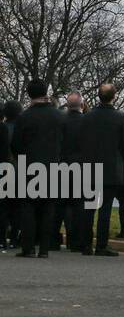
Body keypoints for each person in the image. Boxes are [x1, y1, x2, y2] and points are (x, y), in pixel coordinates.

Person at [76, 82, 124, 257]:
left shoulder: (86, 117)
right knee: (105, 209)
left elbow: (80, 143)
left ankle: (85, 244)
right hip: (110, 168)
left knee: (89, 208)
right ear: (114, 96)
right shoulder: (120, 118)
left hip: (90, 167)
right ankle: (101, 244)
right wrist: (120, 161)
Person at [12, 80, 65, 258]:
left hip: (29, 166)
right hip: (53, 166)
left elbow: (16, 144)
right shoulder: (59, 116)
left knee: (28, 207)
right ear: (45, 92)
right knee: (49, 208)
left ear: (29, 94)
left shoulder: (24, 117)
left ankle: (28, 247)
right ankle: (44, 248)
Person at [54, 91, 87, 251]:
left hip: (61, 165)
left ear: (67, 105)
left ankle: (53, 238)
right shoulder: (87, 122)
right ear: (82, 105)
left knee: (58, 204)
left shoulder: (59, 120)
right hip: (81, 166)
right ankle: (75, 241)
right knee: (78, 205)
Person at [0, 100, 20, 249]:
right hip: (19, 170)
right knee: (16, 206)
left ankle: (2, 238)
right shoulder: (21, 129)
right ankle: (14, 238)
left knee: (3, 206)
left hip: (4, 169)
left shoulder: (4, 128)